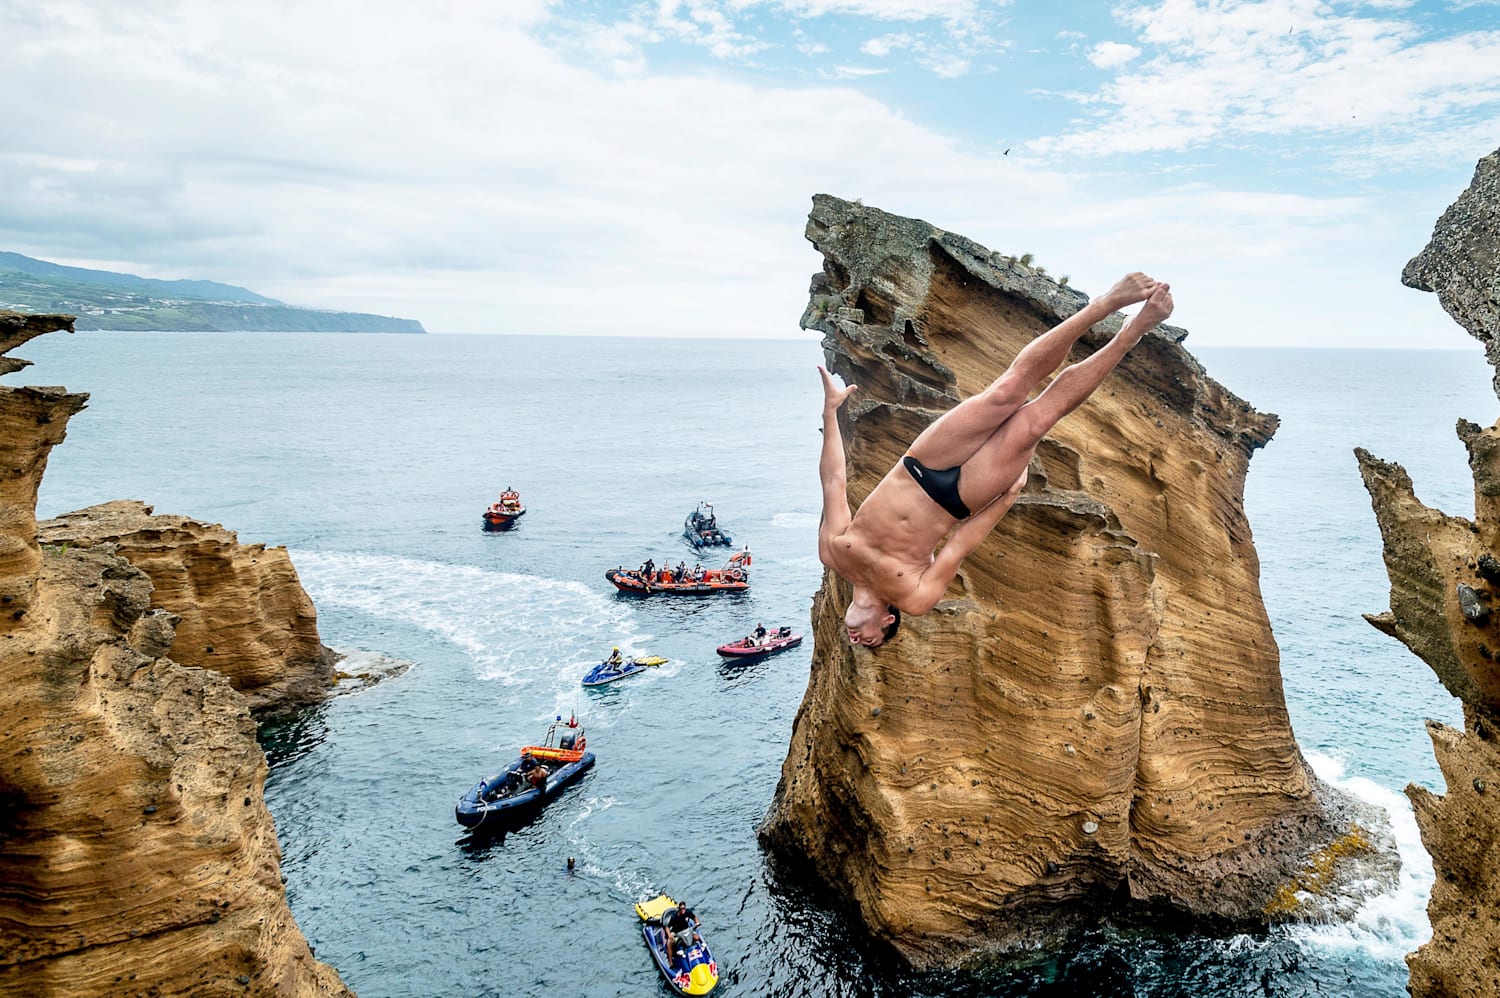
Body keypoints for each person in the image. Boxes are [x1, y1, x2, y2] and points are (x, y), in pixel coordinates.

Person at [818, 273, 1174, 648]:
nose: (858, 640)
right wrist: (1005, 500)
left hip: (919, 466)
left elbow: (834, 482)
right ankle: (1133, 333)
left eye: (859, 642)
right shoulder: (914, 599)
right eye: (871, 642)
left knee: (1005, 392)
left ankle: (1105, 304)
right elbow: (960, 545)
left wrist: (830, 414)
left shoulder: (834, 554)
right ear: (888, 622)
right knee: (1038, 420)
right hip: (960, 498)